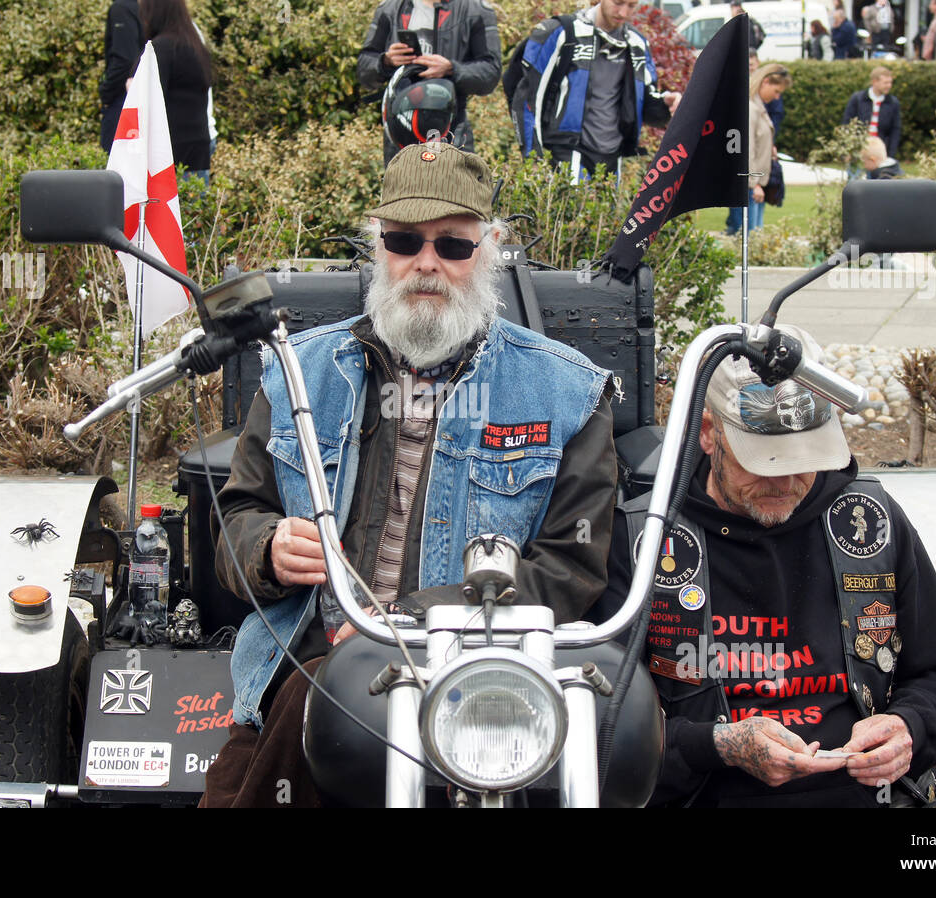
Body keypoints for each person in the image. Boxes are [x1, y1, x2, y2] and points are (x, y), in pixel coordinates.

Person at [198, 144, 618, 807]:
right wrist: (267, 549)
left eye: (452, 244)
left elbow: (573, 567)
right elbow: (235, 522)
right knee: (312, 696)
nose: (426, 263)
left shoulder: (566, 391)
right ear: (378, 247)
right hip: (296, 684)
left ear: (490, 249)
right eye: (404, 240)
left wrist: (408, 622)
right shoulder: (296, 373)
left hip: (483, 692)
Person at [602, 326, 936, 807]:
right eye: (764, 461)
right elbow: (599, 725)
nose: (786, 480)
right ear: (709, 434)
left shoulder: (868, 525)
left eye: (804, 459)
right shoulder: (643, 541)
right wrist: (719, 746)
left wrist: (909, 728)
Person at [506, 0, 679, 183]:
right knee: (572, 211)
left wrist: (666, 105)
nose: (623, 13)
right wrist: (533, 158)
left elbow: (645, 104)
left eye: (631, 6)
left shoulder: (637, 44)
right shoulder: (562, 32)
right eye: (618, 3)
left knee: (609, 213)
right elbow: (525, 99)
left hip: (612, 158)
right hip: (567, 151)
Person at [358, 0, 501, 163]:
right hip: (399, 134)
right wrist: (385, 62)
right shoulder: (390, 9)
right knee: (402, 187)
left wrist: (451, 69)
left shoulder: (476, 10)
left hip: (453, 131)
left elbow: (491, 73)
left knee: (453, 186)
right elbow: (364, 70)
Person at [136, 0, 212, 183]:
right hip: (198, 151)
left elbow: (145, 97)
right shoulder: (196, 46)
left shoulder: (161, 48)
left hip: (169, 156)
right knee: (197, 209)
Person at [727, 63, 787, 234]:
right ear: (765, 82)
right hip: (749, 187)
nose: (777, 98)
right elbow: (746, 150)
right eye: (776, 91)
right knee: (748, 239)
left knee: (752, 237)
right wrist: (754, 185)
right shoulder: (750, 109)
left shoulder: (756, 107)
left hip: (754, 185)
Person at [98, 0, 144, 152]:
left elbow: (124, 60)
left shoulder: (122, 8)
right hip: (140, 98)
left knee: (115, 167)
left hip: (122, 100)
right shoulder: (144, 6)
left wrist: (106, 92)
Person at [842, 66, 900, 160]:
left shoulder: (893, 103)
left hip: (880, 150)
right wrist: (847, 149)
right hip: (858, 149)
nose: (889, 86)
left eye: (890, 82)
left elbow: (895, 130)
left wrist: (891, 155)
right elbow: (847, 123)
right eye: (885, 83)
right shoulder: (858, 99)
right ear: (874, 82)